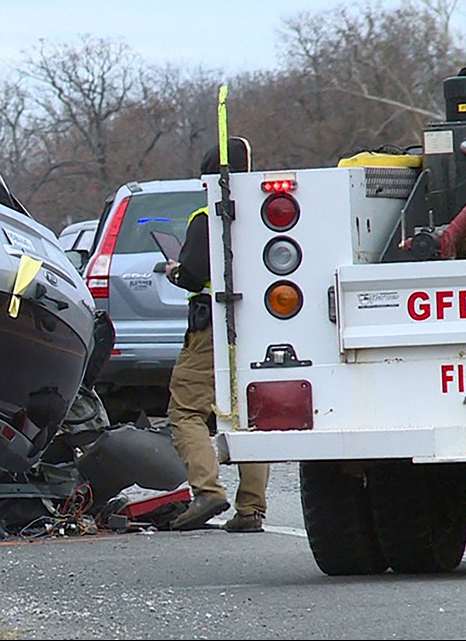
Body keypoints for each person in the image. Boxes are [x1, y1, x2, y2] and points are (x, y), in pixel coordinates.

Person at [165, 137, 270, 533]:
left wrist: (176, 271)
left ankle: (207, 491)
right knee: (252, 414)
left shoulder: (208, 214)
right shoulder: (267, 212)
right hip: (261, 325)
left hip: (213, 327)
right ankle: (251, 509)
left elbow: (193, 272)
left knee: (187, 410)